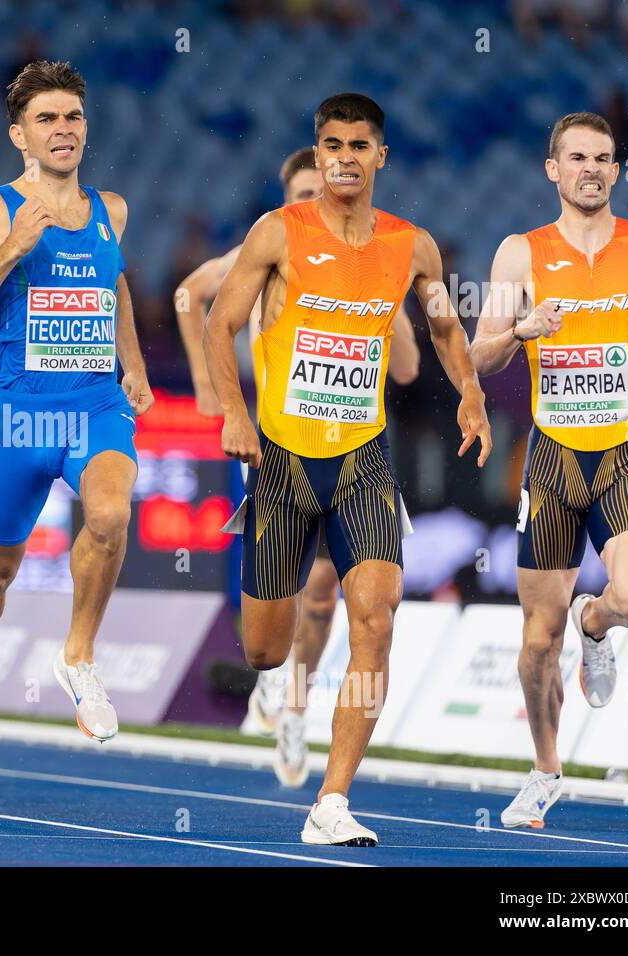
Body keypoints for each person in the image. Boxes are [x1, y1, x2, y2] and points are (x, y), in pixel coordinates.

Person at [204, 93, 491, 845]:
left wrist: (471, 395)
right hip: (282, 462)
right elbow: (218, 322)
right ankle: (276, 687)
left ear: (380, 156)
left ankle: (331, 800)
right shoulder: (279, 233)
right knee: (266, 646)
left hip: (362, 460)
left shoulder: (411, 245)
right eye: (330, 144)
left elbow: (444, 326)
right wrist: (234, 412)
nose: (343, 158)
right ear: (317, 150)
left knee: (376, 615)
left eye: (358, 145)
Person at [0, 60, 152, 778]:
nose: (64, 130)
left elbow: (112, 284)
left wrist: (135, 364)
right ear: (19, 134)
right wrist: (14, 251)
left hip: (96, 404)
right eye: (47, 119)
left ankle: (79, 655)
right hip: (21, 415)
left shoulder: (110, 208)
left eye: (73, 117)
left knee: (112, 514)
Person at [176, 146, 419, 788]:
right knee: (276, 608)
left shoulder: (375, 254)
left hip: (356, 447)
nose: (324, 201)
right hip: (277, 442)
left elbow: (411, 369)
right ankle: (274, 680)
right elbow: (187, 294)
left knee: (325, 593)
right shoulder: (269, 245)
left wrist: (379, 310)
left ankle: (294, 702)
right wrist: (210, 392)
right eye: (307, 192)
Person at [472, 112, 628, 828]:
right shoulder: (520, 256)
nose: (592, 169)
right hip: (552, 462)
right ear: (551, 169)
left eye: (605, 158)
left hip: (622, 454)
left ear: (618, 170)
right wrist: (520, 329)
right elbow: (479, 356)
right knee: (535, 642)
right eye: (578, 157)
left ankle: (598, 622)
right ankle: (545, 769)